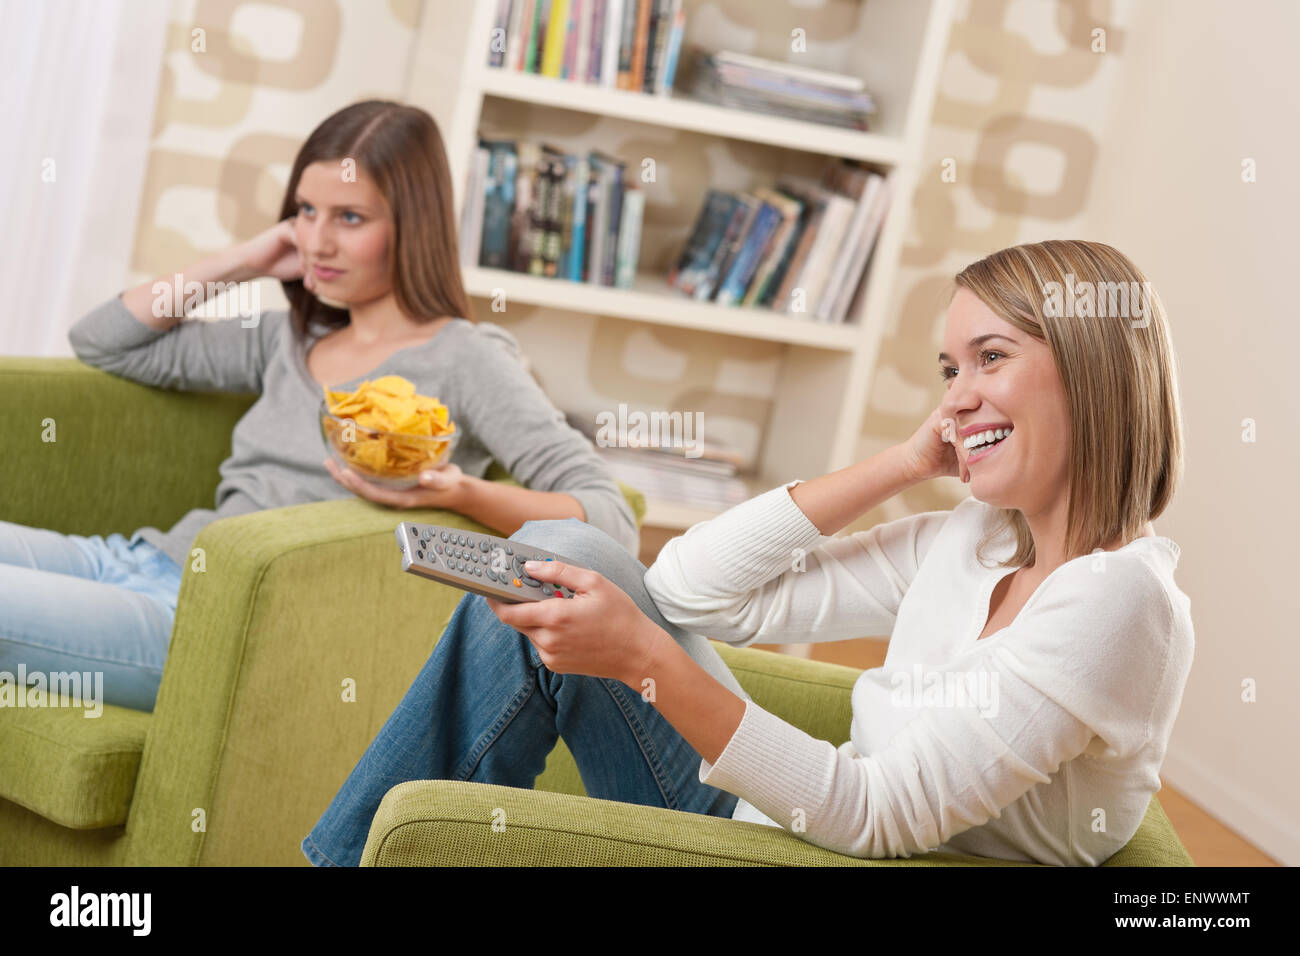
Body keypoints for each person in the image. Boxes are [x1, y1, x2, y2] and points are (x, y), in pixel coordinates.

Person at [303, 238, 1194, 868]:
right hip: (790, 817)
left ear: (1091, 367)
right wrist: (899, 463)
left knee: (557, 584)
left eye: (989, 357)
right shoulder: (983, 539)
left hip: (840, 852)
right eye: (948, 371)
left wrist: (641, 659)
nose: (957, 399)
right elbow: (693, 591)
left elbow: (880, 817)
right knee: (557, 551)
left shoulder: (1116, 601)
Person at [0, 100, 637, 713]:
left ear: (411, 228)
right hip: (140, 559)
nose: (317, 241)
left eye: (350, 218)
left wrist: (457, 494)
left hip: (210, 622)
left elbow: (608, 518)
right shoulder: (289, 336)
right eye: (306, 211)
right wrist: (246, 260)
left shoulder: (467, 359)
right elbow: (102, 341)